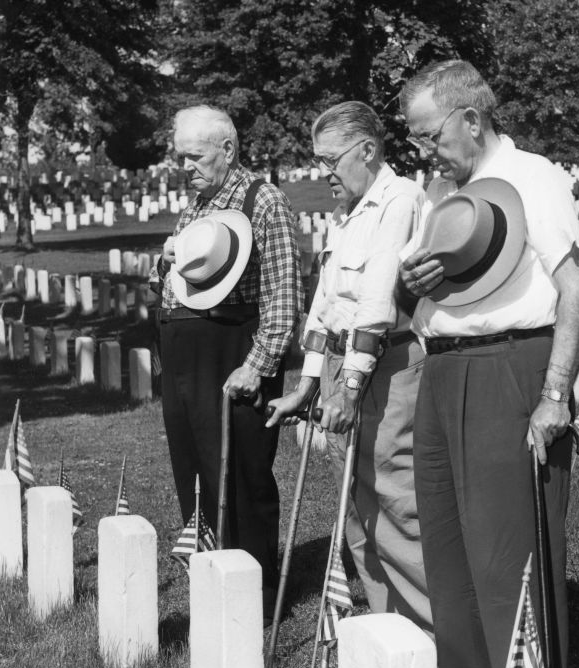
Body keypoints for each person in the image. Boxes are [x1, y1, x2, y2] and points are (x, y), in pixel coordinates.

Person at [397, 61, 579, 668]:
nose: (422, 150)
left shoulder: (533, 177)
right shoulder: (443, 193)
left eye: (428, 135)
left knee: (509, 542)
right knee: (448, 537)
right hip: (444, 370)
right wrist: (409, 283)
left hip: (511, 366)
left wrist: (555, 392)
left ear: (471, 120)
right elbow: (431, 297)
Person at [266, 101, 431, 633]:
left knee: (393, 496)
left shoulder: (398, 200)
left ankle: (430, 628)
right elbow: (326, 306)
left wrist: (350, 389)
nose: (325, 173)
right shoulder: (348, 210)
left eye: (331, 160)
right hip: (344, 366)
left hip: (386, 364)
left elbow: (377, 302)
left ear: (367, 150)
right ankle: (389, 624)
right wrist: (310, 384)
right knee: (353, 503)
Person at [157, 105, 303, 623]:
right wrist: (164, 263)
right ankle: (214, 573)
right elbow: (180, 277)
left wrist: (257, 365)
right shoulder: (198, 203)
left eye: (194, 156)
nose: (186, 167)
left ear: (228, 149)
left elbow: (283, 294)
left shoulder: (263, 202)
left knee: (241, 472)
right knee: (195, 468)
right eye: (181, 157)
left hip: (233, 352)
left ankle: (253, 595)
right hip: (186, 356)